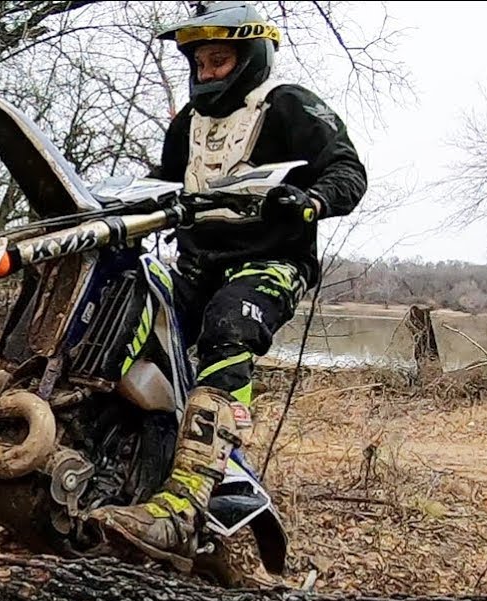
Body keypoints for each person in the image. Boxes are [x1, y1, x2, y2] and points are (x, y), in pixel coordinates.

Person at [88, 0, 368, 562]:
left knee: (226, 332)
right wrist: (114, 207)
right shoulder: (186, 125)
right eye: (202, 63)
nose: (209, 72)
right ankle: (105, 469)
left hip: (270, 261)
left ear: (251, 56)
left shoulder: (290, 105)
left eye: (220, 60)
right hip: (196, 261)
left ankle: (184, 504)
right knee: (127, 325)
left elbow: (349, 170)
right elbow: (161, 184)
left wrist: (310, 200)